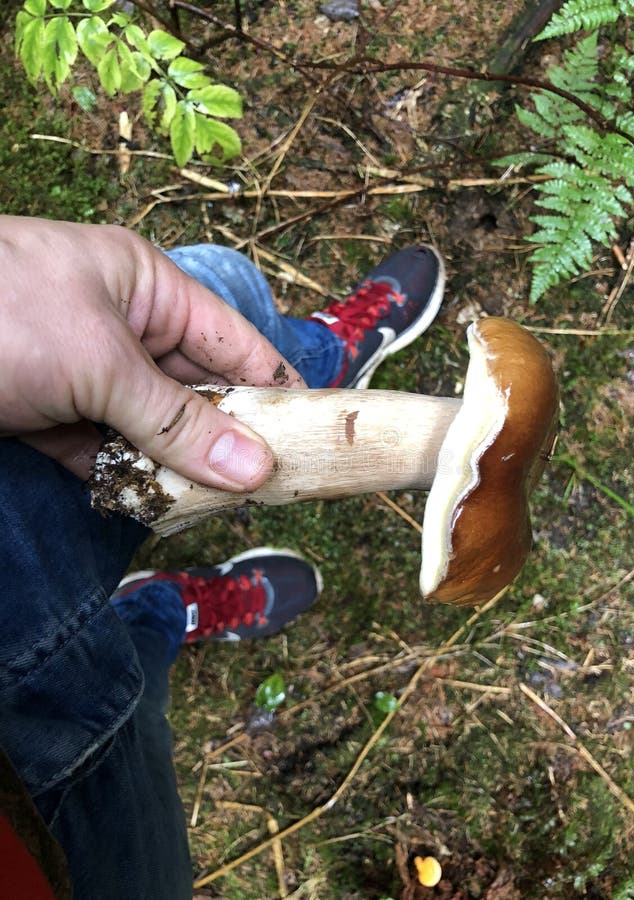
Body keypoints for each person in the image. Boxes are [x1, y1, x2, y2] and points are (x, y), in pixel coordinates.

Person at [0, 216, 446, 898]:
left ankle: (318, 365)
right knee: (129, 718)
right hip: (50, 844)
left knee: (218, 293)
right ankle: (158, 613)